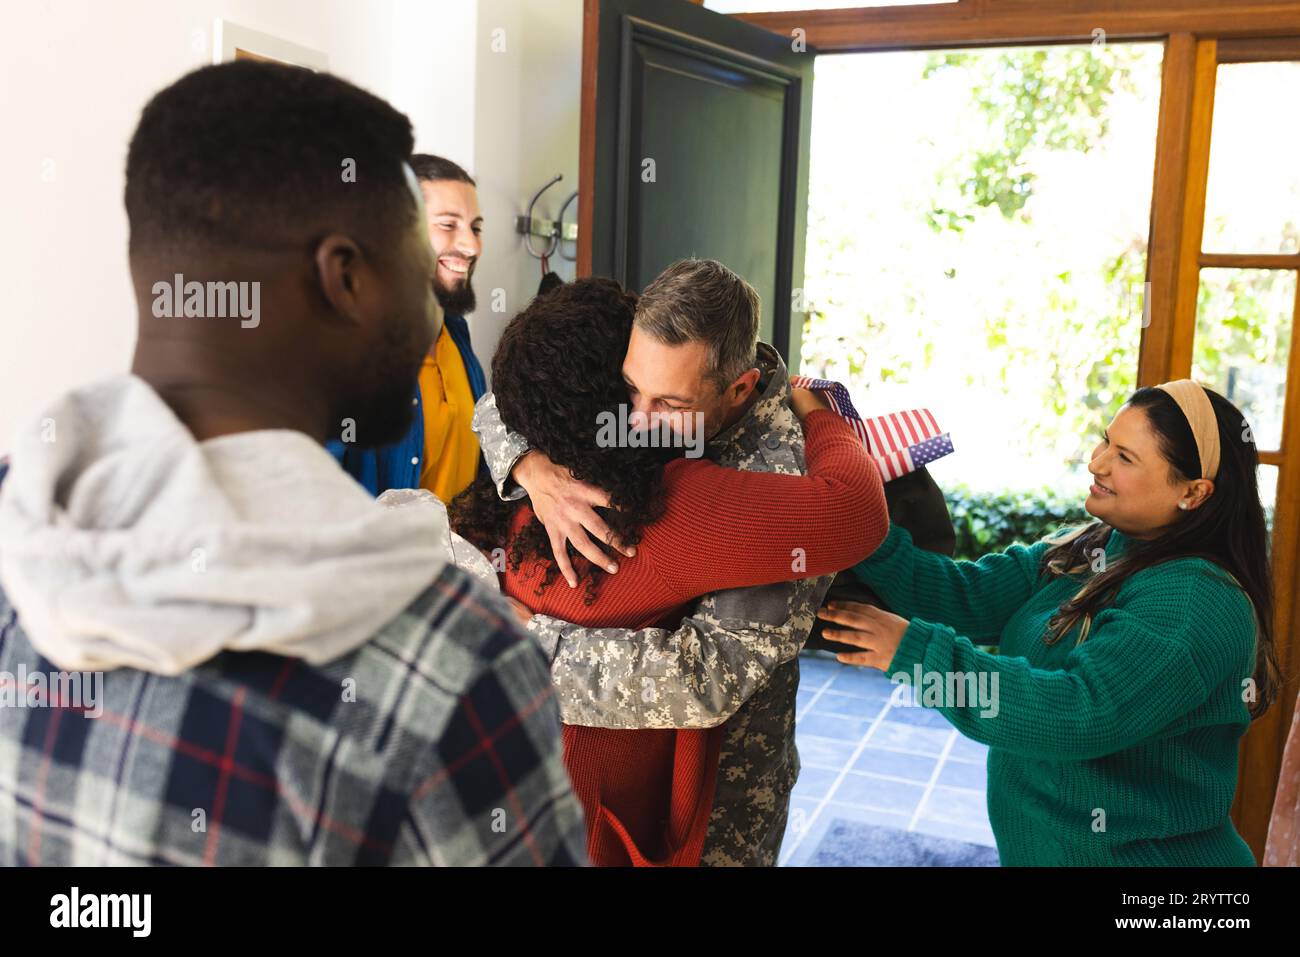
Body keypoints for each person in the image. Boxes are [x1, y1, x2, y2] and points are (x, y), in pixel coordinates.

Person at [0, 60, 585, 866]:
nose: (432, 309)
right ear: (344, 278)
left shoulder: (18, 525)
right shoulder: (451, 669)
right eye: (418, 263)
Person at [451, 277, 888, 864]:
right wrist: (531, 466)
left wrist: (516, 645)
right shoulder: (654, 352)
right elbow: (512, 393)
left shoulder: (774, 479)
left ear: (740, 388)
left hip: (727, 794)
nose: (636, 419)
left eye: (670, 406)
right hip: (624, 780)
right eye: (630, 389)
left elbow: (704, 680)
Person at [819, 381, 1280, 866]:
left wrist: (918, 653)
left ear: (1193, 492)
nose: (1096, 462)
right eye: (1106, 440)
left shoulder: (1195, 602)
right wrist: (859, 523)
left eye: (1125, 458)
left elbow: (1077, 711)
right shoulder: (1097, 546)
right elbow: (967, 597)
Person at [328, 154, 488, 501]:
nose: (471, 245)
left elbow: (485, 466)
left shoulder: (455, 335)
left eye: (476, 228)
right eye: (448, 225)